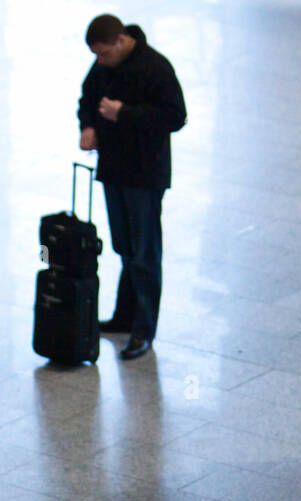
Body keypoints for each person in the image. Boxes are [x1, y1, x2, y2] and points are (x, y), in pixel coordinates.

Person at [77, 15, 186, 361]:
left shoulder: (155, 68)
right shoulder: (104, 67)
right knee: (124, 246)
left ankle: (143, 330)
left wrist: (124, 113)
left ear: (122, 40)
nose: (100, 61)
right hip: (115, 169)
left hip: (144, 173)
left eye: (104, 53)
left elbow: (175, 117)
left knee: (145, 253)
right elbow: (88, 97)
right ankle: (124, 317)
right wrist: (88, 125)